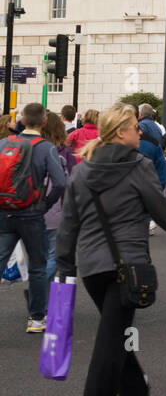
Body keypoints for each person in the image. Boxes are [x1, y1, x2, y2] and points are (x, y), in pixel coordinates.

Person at [55, 102, 166, 396]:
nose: (140, 132)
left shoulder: (82, 171)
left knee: (117, 330)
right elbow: (159, 205)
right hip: (127, 266)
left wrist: (64, 266)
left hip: (91, 268)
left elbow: (68, 223)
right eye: (134, 127)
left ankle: (134, 390)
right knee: (111, 341)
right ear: (119, 133)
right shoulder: (137, 166)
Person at [0, 102, 69, 332]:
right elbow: (60, 182)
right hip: (32, 214)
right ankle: (36, 318)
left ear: (21, 119)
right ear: (44, 121)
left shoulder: (4, 144)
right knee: (38, 267)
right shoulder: (46, 148)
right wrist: (45, 204)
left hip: (5, 211)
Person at [41, 110, 76, 281]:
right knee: (55, 255)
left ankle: (37, 289)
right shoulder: (65, 153)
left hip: (29, 208)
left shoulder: (31, 148)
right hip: (57, 209)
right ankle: (39, 288)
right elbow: (72, 182)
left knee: (38, 254)